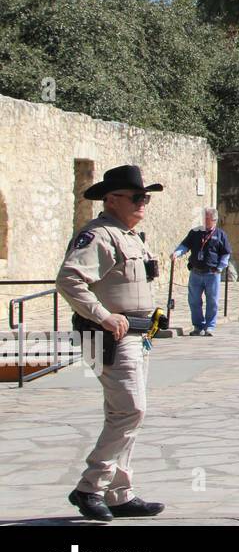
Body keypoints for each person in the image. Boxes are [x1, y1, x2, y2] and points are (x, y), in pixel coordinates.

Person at [56, 164, 167, 521]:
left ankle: (120, 492)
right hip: (107, 336)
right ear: (113, 199)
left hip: (135, 336)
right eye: (137, 197)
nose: (143, 203)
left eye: (145, 198)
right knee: (130, 411)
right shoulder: (99, 235)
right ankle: (90, 487)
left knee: (124, 415)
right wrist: (103, 315)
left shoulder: (129, 235)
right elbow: (69, 279)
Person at [173, 207, 231, 337]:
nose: (205, 220)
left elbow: (226, 254)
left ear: (214, 220)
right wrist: (177, 253)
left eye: (208, 218)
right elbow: (185, 246)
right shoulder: (195, 232)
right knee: (194, 300)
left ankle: (210, 326)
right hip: (195, 273)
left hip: (212, 273)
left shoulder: (220, 234)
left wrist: (220, 267)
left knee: (212, 301)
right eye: (204, 218)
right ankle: (198, 326)